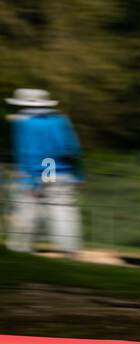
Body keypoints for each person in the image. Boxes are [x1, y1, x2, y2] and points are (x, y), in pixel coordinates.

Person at [5, 88, 82, 254]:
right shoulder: (61, 121)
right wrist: (78, 174)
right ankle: (69, 251)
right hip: (62, 173)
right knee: (62, 211)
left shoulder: (22, 122)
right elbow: (73, 149)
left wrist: (30, 181)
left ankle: (20, 249)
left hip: (37, 173)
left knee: (27, 211)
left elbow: (26, 152)